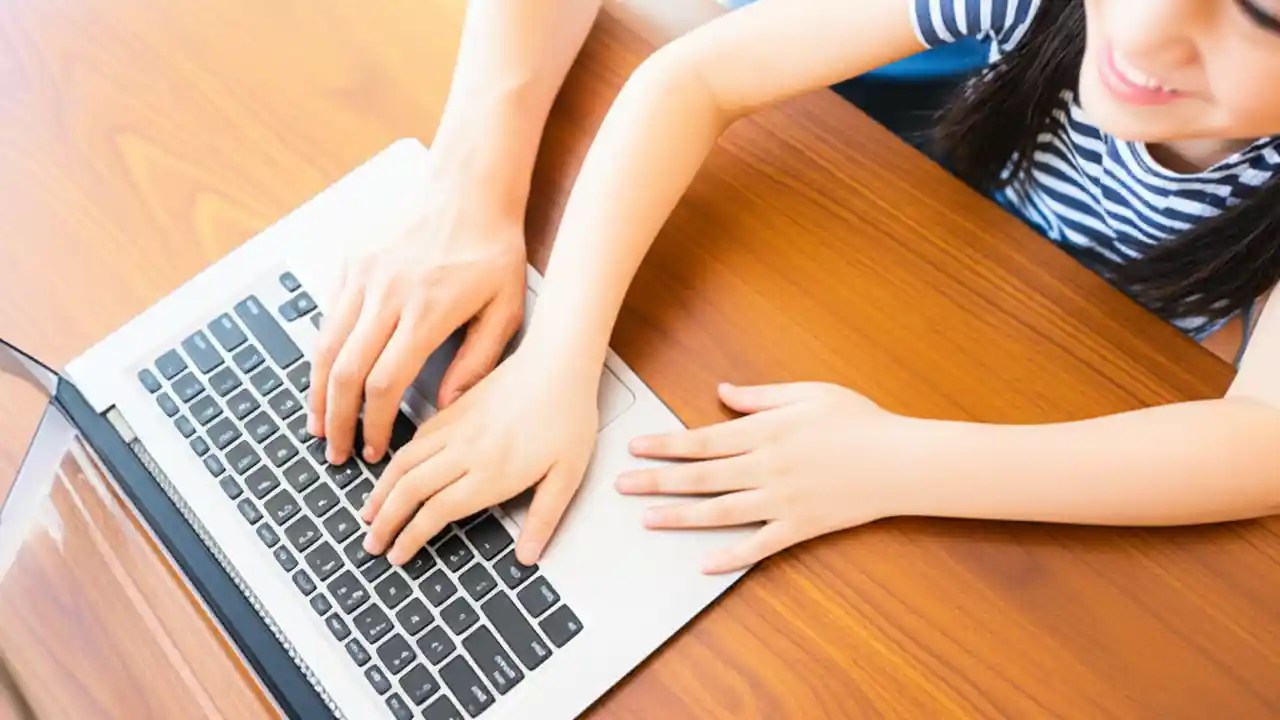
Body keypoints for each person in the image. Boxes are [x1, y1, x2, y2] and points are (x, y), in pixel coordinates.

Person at [310, 0, 1280, 575]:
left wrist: (892, 461)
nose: (1148, 30)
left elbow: (1260, 439)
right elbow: (693, 79)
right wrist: (554, 363)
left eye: (1260, 12)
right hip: (947, 287)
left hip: (1074, 395)